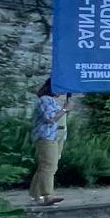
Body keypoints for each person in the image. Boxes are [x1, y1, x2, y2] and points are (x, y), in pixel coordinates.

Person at [28, 78, 70, 206]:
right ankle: (47, 195)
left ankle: (35, 194)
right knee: (49, 166)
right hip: (47, 137)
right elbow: (51, 119)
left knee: (45, 166)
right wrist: (65, 109)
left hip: (54, 137)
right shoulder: (45, 99)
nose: (62, 91)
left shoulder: (52, 101)